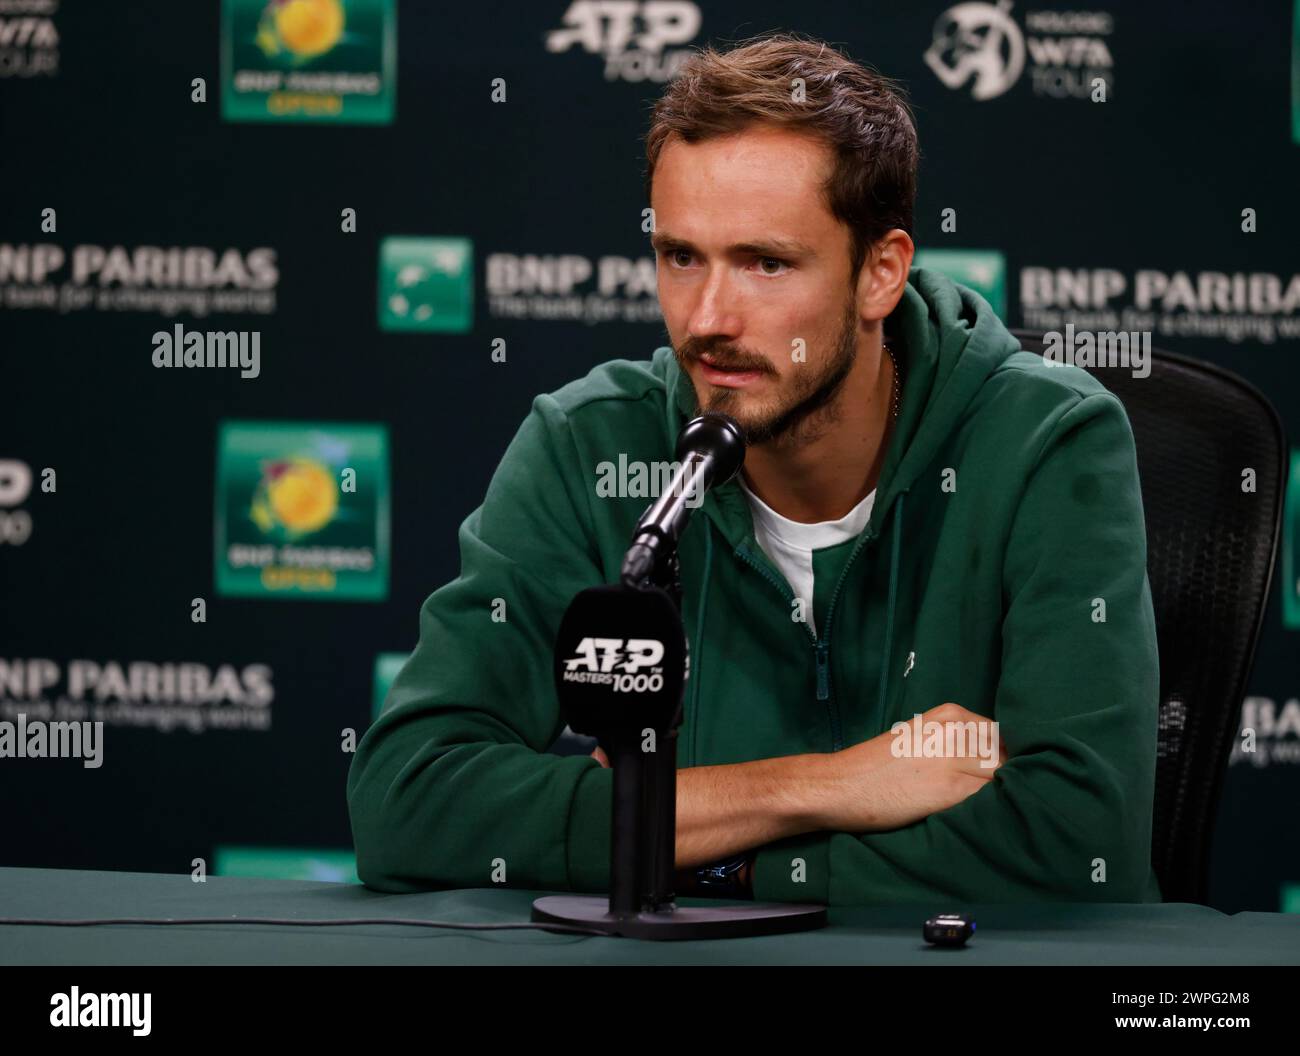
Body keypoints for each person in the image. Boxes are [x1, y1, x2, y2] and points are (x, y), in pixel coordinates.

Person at [347, 32, 1162, 906]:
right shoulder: (591, 446)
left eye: (766, 264)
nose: (708, 318)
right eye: (681, 257)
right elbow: (408, 800)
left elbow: (1077, 842)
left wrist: (698, 852)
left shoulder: (1047, 443)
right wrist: (824, 783)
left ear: (881, 274)